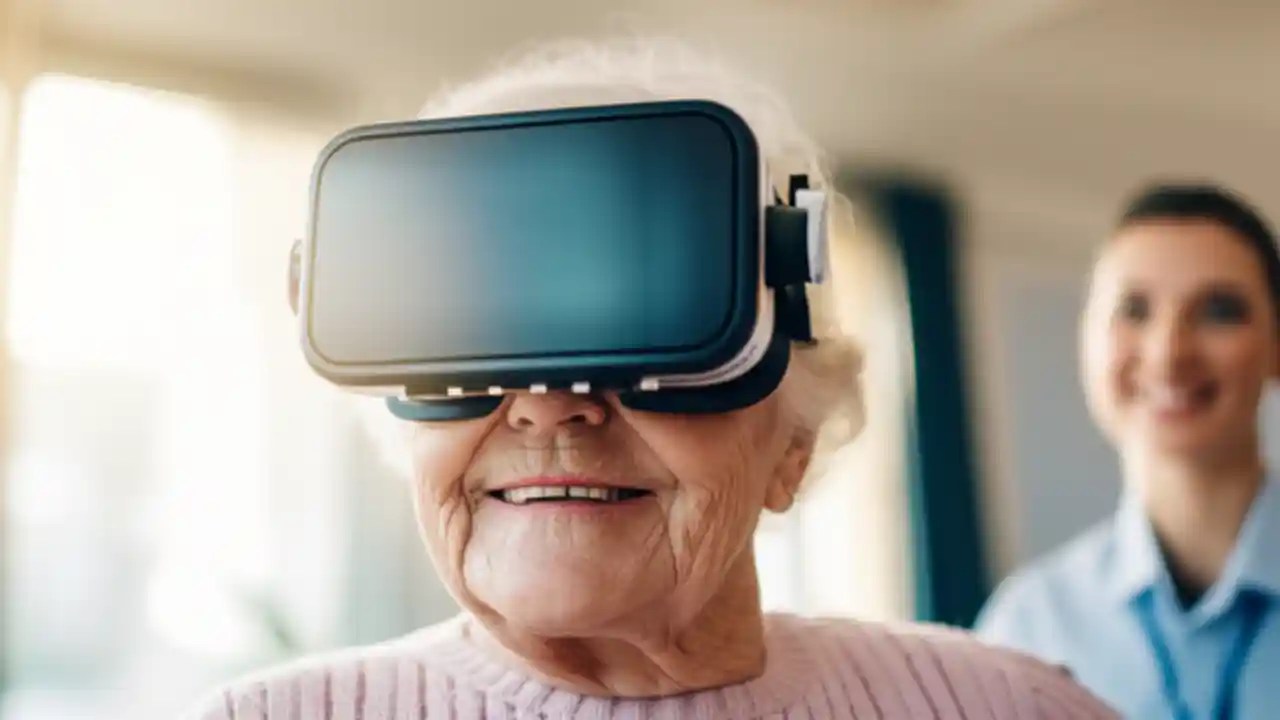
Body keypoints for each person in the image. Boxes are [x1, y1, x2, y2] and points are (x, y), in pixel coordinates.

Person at [185, 39, 1114, 719]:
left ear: (792, 447)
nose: (551, 402)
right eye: (482, 347)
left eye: (655, 350)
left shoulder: (1009, 706)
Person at [977, 183, 1280, 719]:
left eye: (1218, 310)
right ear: (1087, 342)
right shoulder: (1027, 627)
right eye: (1134, 309)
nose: (1169, 353)